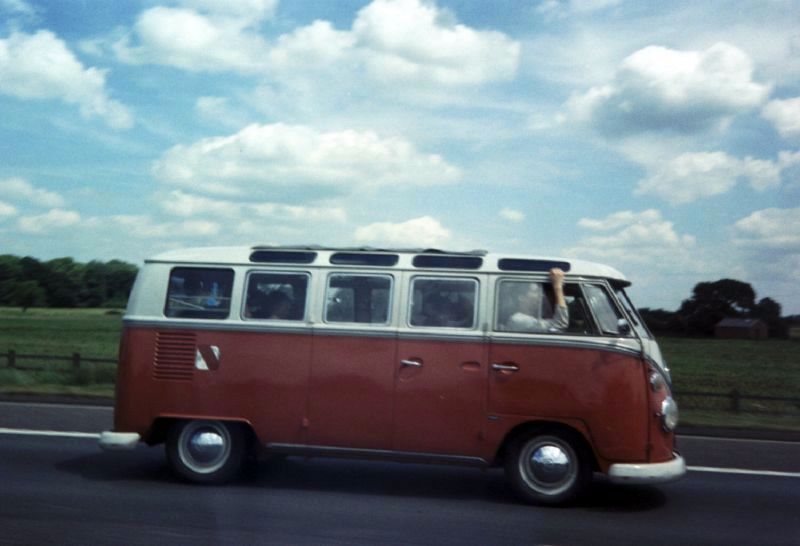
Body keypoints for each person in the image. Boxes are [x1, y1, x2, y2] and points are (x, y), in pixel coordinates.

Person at [504, 268, 569, 333]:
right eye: (535, 292)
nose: (540, 296)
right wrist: (558, 287)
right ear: (522, 297)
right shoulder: (518, 320)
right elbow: (560, 325)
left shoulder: (528, 318)